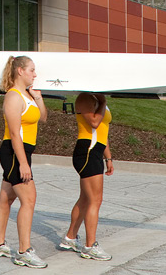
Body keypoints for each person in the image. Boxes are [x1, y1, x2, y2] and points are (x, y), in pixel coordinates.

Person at [0, 55, 46, 268]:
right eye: (32, 70)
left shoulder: (27, 95)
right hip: (14, 152)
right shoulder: (13, 97)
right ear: (20, 71)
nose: (35, 74)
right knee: (29, 200)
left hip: (22, 152)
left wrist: (38, 97)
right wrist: (23, 163)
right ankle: (24, 251)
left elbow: (43, 117)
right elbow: (14, 133)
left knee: (6, 199)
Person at [58, 92, 113, 261]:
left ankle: (70, 238)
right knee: (95, 200)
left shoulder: (98, 99)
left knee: (85, 199)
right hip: (87, 151)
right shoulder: (86, 98)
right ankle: (90, 246)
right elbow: (95, 123)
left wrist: (108, 157)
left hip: (95, 151)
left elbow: (103, 131)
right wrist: (103, 101)